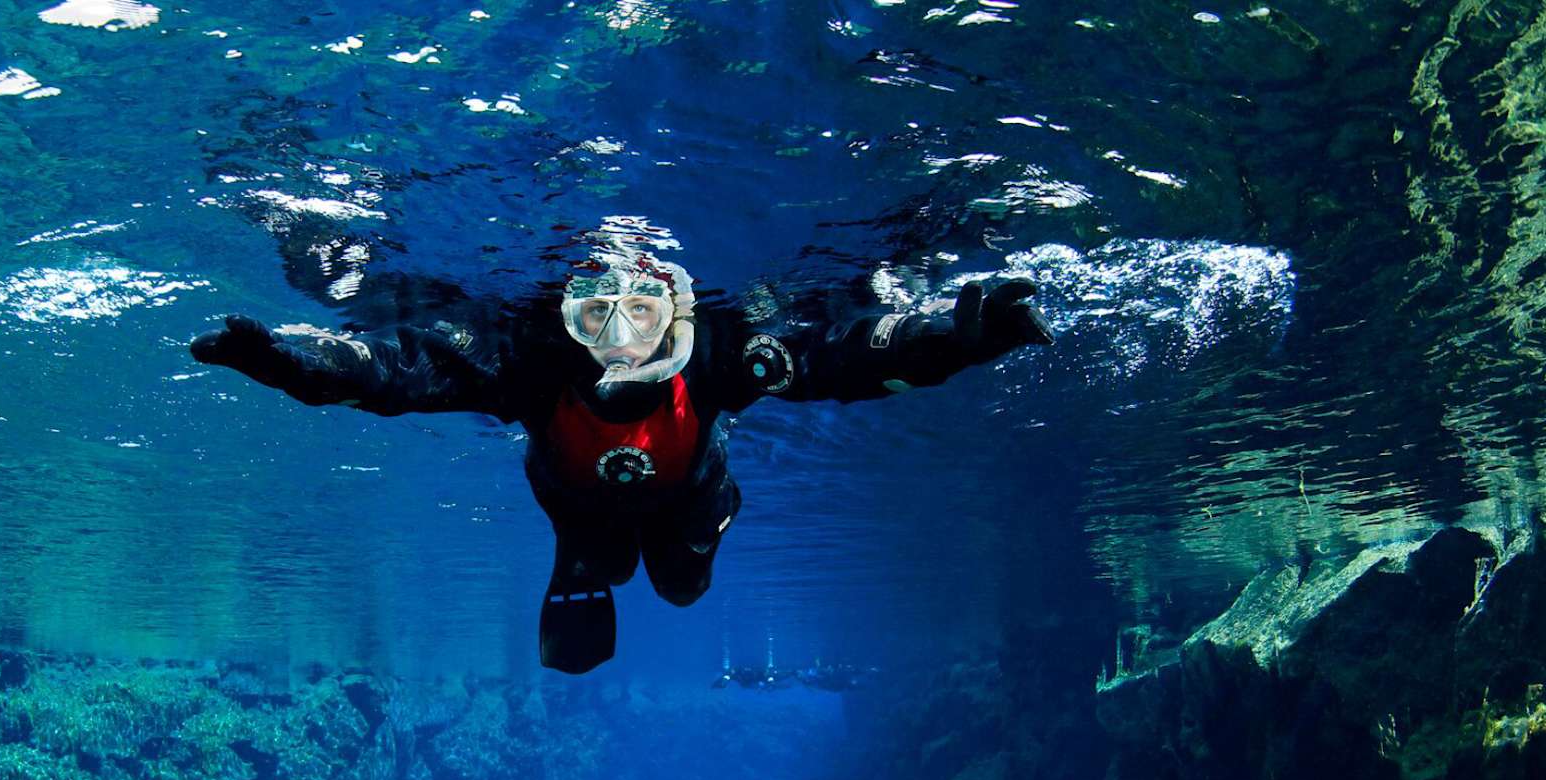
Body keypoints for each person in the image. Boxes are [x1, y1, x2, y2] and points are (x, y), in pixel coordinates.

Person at [190, 253, 1053, 673]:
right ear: (565, 317)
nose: (619, 340)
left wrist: (954, 336)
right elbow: (395, 375)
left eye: (641, 314)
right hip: (576, 506)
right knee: (601, 559)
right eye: (595, 314)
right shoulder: (527, 361)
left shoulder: (723, 354)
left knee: (682, 582)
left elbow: (848, 357)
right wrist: (292, 362)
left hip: (690, 493)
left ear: (678, 313)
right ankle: (593, 561)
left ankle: (670, 549)